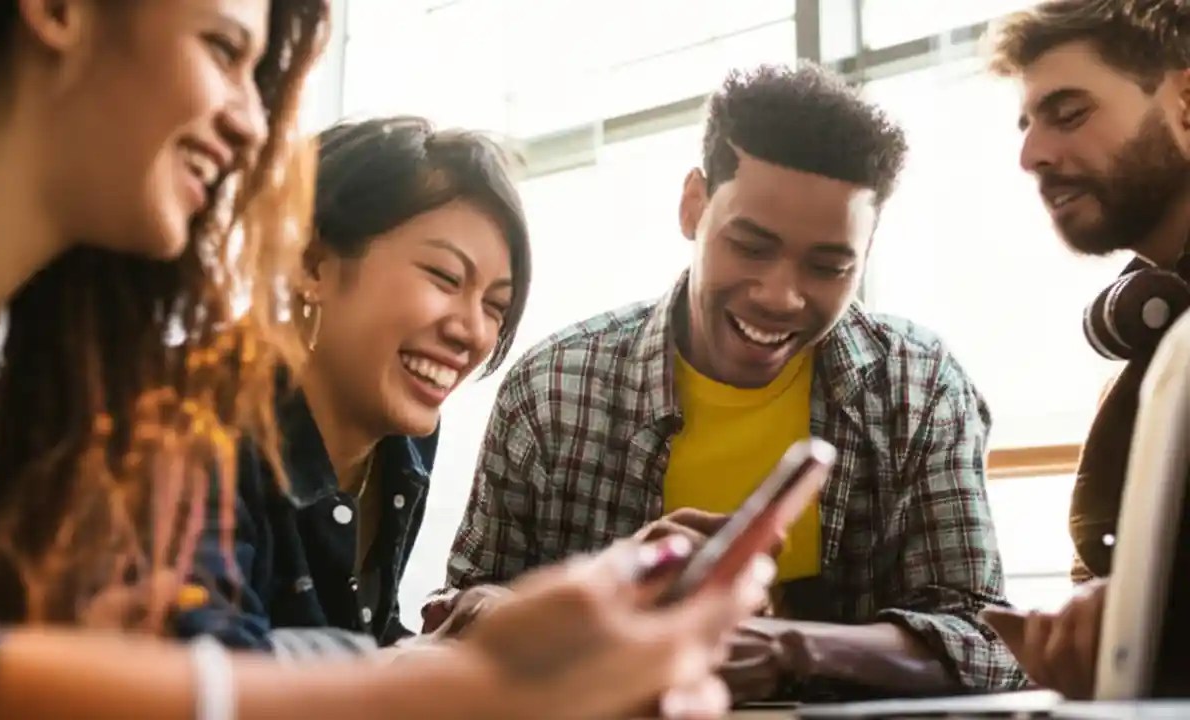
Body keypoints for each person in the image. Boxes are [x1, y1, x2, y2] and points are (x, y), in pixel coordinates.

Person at [0, 1, 770, 717]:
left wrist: (481, 649)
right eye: (221, 49)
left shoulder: (38, 354)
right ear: (313, 264)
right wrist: (474, 681)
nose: (250, 123)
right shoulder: (177, 419)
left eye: (496, 306)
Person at [432, 61, 1025, 701]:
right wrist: (598, 603)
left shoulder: (919, 387)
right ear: (694, 206)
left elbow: (987, 645)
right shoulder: (553, 388)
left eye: (828, 266)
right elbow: (456, 618)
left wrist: (789, 646)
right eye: (751, 246)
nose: (781, 296)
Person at [174, 116, 532, 653]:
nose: (473, 331)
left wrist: (474, 637)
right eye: (445, 277)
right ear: (313, 264)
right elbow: (213, 674)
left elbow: (353, 639)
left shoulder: (404, 440)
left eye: (495, 306)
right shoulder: (187, 415)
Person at [983, 0, 1190, 698]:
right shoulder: (1152, 361)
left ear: (1186, 104)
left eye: (1068, 114)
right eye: (1028, 124)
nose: (1031, 154)